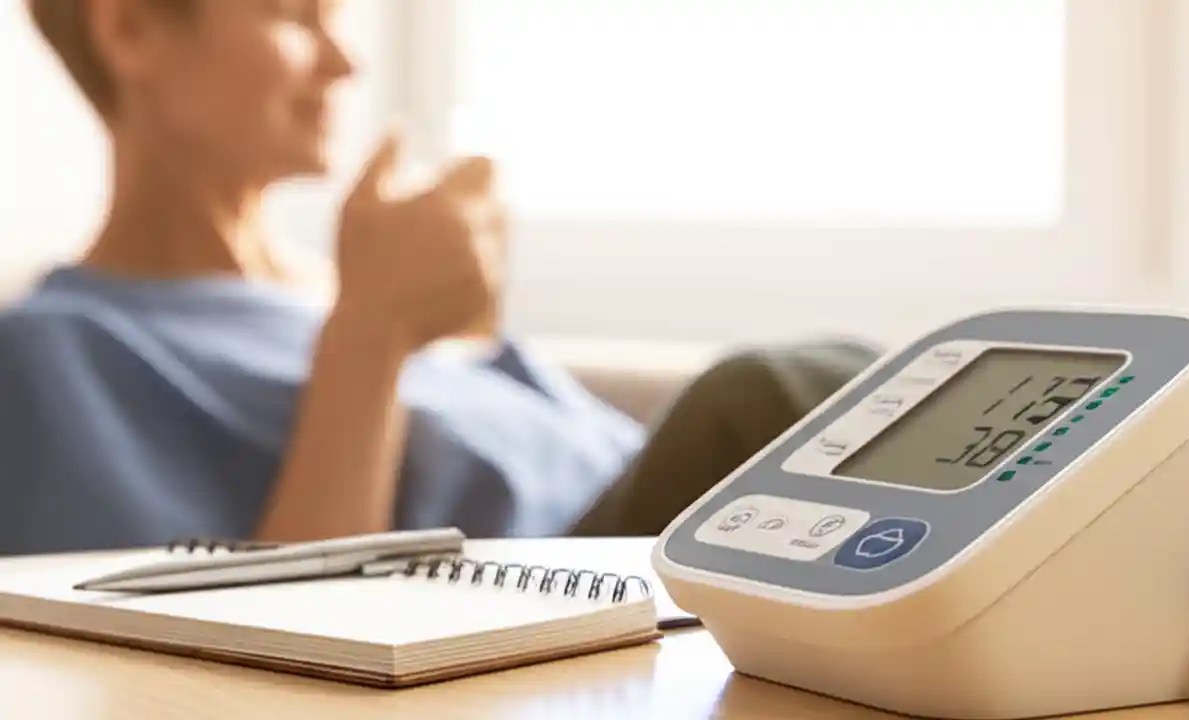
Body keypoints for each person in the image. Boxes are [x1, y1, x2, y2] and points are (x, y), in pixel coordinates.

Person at [2, 0, 878, 554]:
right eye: (292, 14)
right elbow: (217, 652)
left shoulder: (335, 286)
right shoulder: (60, 350)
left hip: (663, 547)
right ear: (129, 28)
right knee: (767, 396)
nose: (343, 62)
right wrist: (371, 336)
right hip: (567, 600)